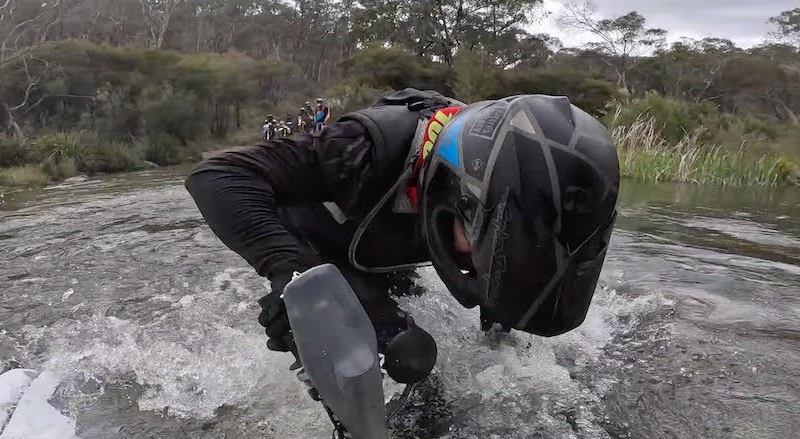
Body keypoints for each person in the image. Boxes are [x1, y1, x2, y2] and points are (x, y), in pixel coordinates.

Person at [186, 89, 620, 382]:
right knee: (406, 356)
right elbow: (217, 177)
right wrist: (293, 277)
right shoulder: (358, 148)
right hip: (316, 246)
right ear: (453, 198)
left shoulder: (493, 172)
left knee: (418, 351)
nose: (484, 257)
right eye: (485, 241)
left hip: (386, 247)